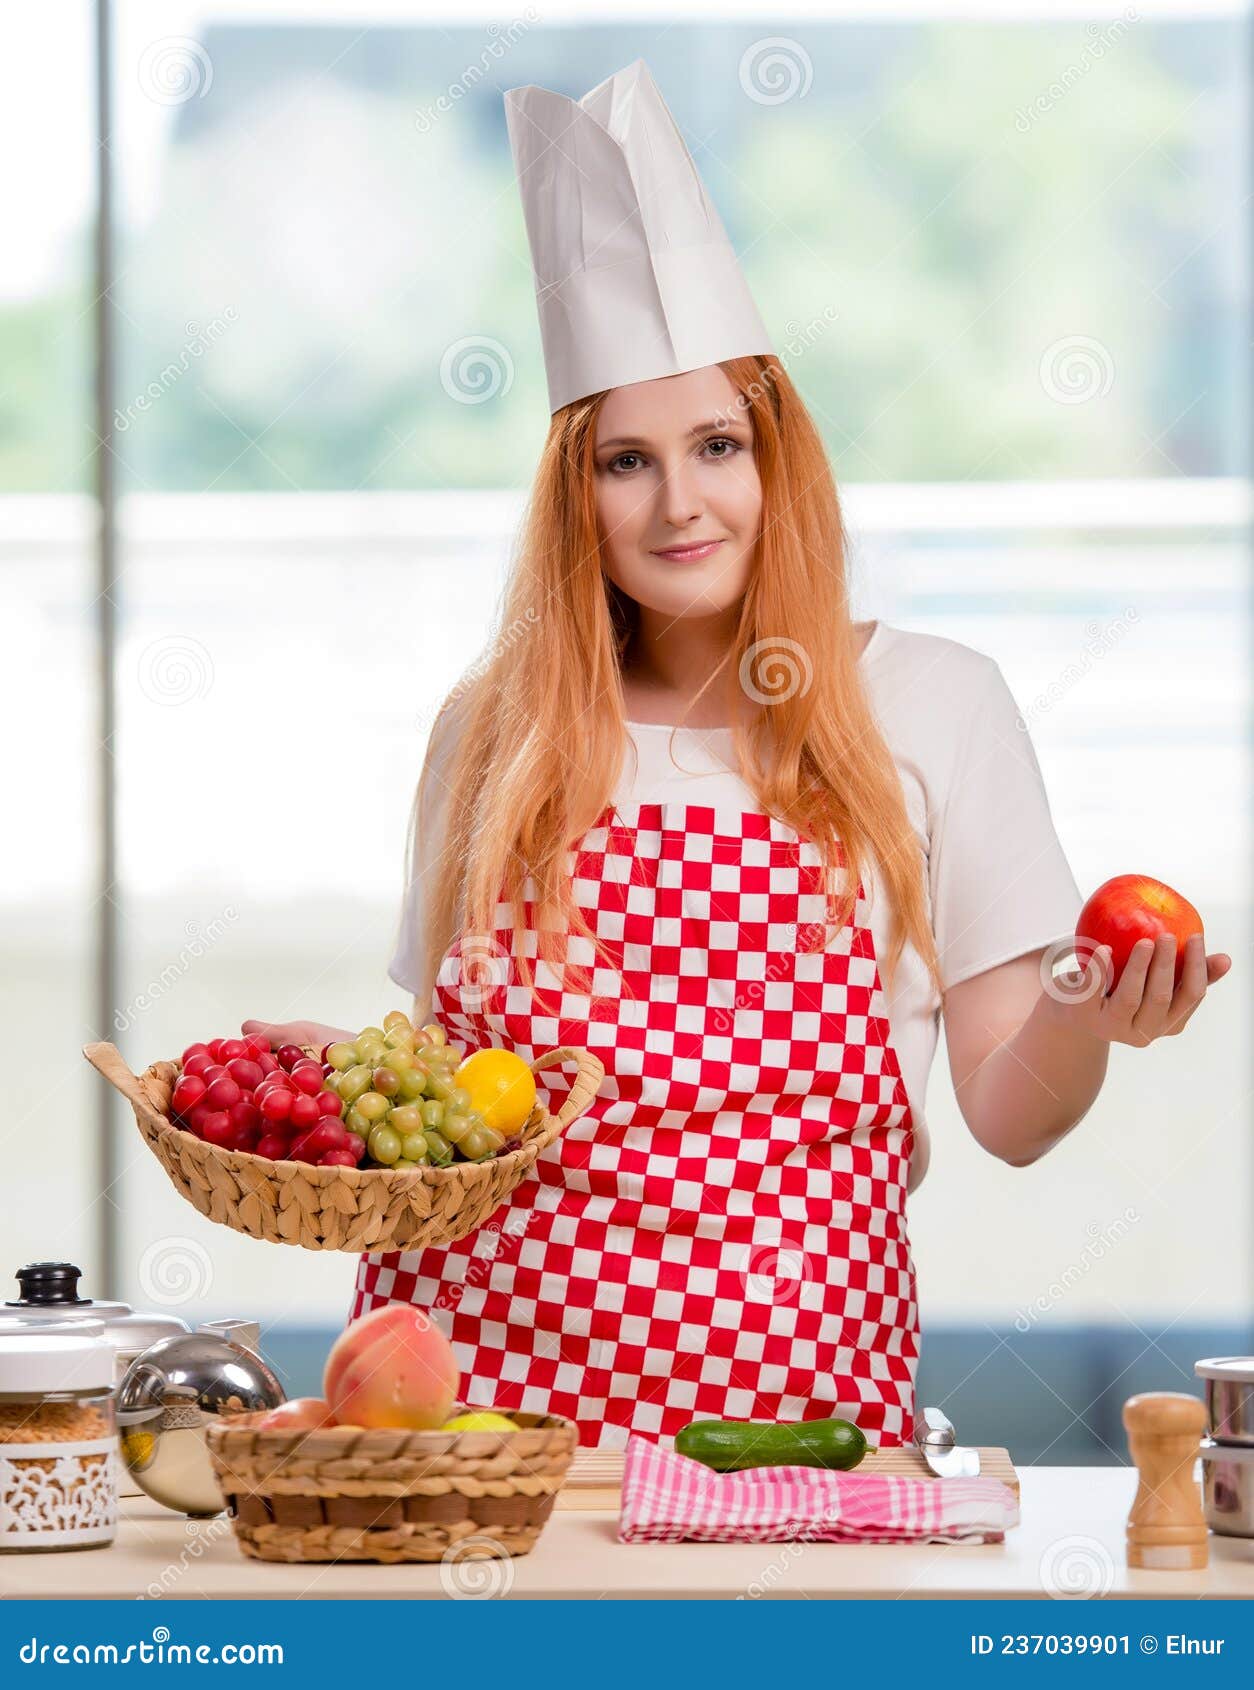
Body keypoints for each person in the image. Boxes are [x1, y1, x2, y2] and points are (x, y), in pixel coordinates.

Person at [248, 60, 1231, 1450]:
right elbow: (462, 1110)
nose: (679, 504)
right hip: (478, 1439)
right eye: (625, 460)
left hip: (792, 1433)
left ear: (778, 459)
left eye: (715, 445)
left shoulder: (935, 704)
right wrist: (347, 1080)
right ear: (573, 492)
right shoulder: (489, 731)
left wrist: (1083, 1010)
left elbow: (1011, 1117)